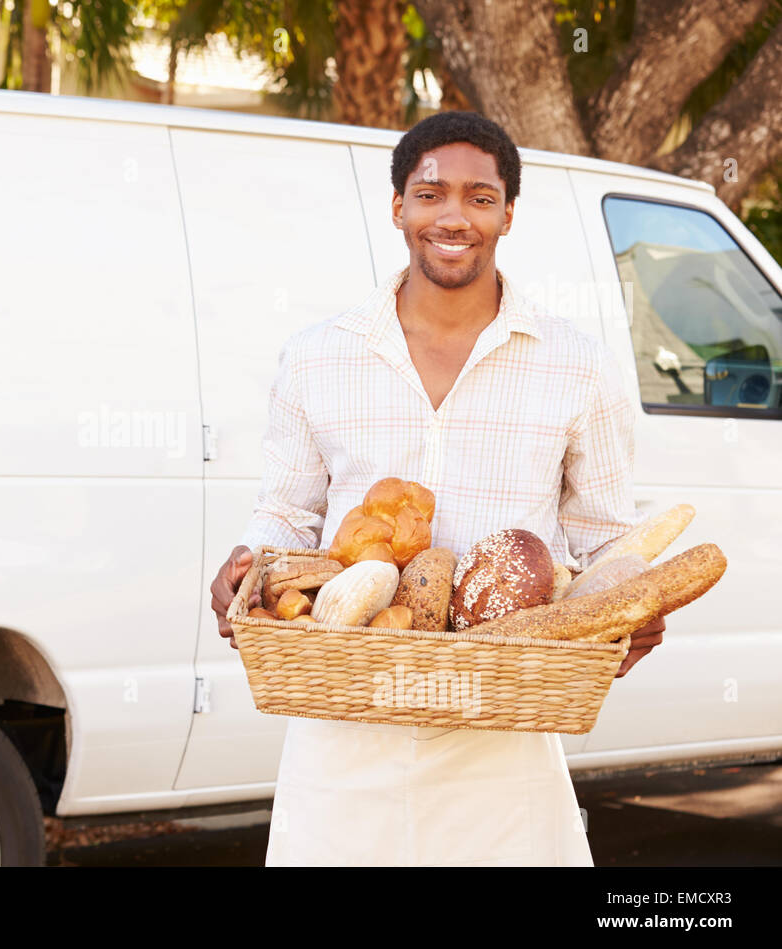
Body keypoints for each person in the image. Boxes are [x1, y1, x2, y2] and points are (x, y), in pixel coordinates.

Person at [209, 111, 666, 867]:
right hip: (343, 730)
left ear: (509, 214)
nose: (453, 217)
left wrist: (630, 606)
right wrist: (246, 576)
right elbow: (286, 518)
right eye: (430, 194)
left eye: (480, 198)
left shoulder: (574, 366)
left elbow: (607, 536)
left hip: (502, 739)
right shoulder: (319, 358)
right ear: (398, 207)